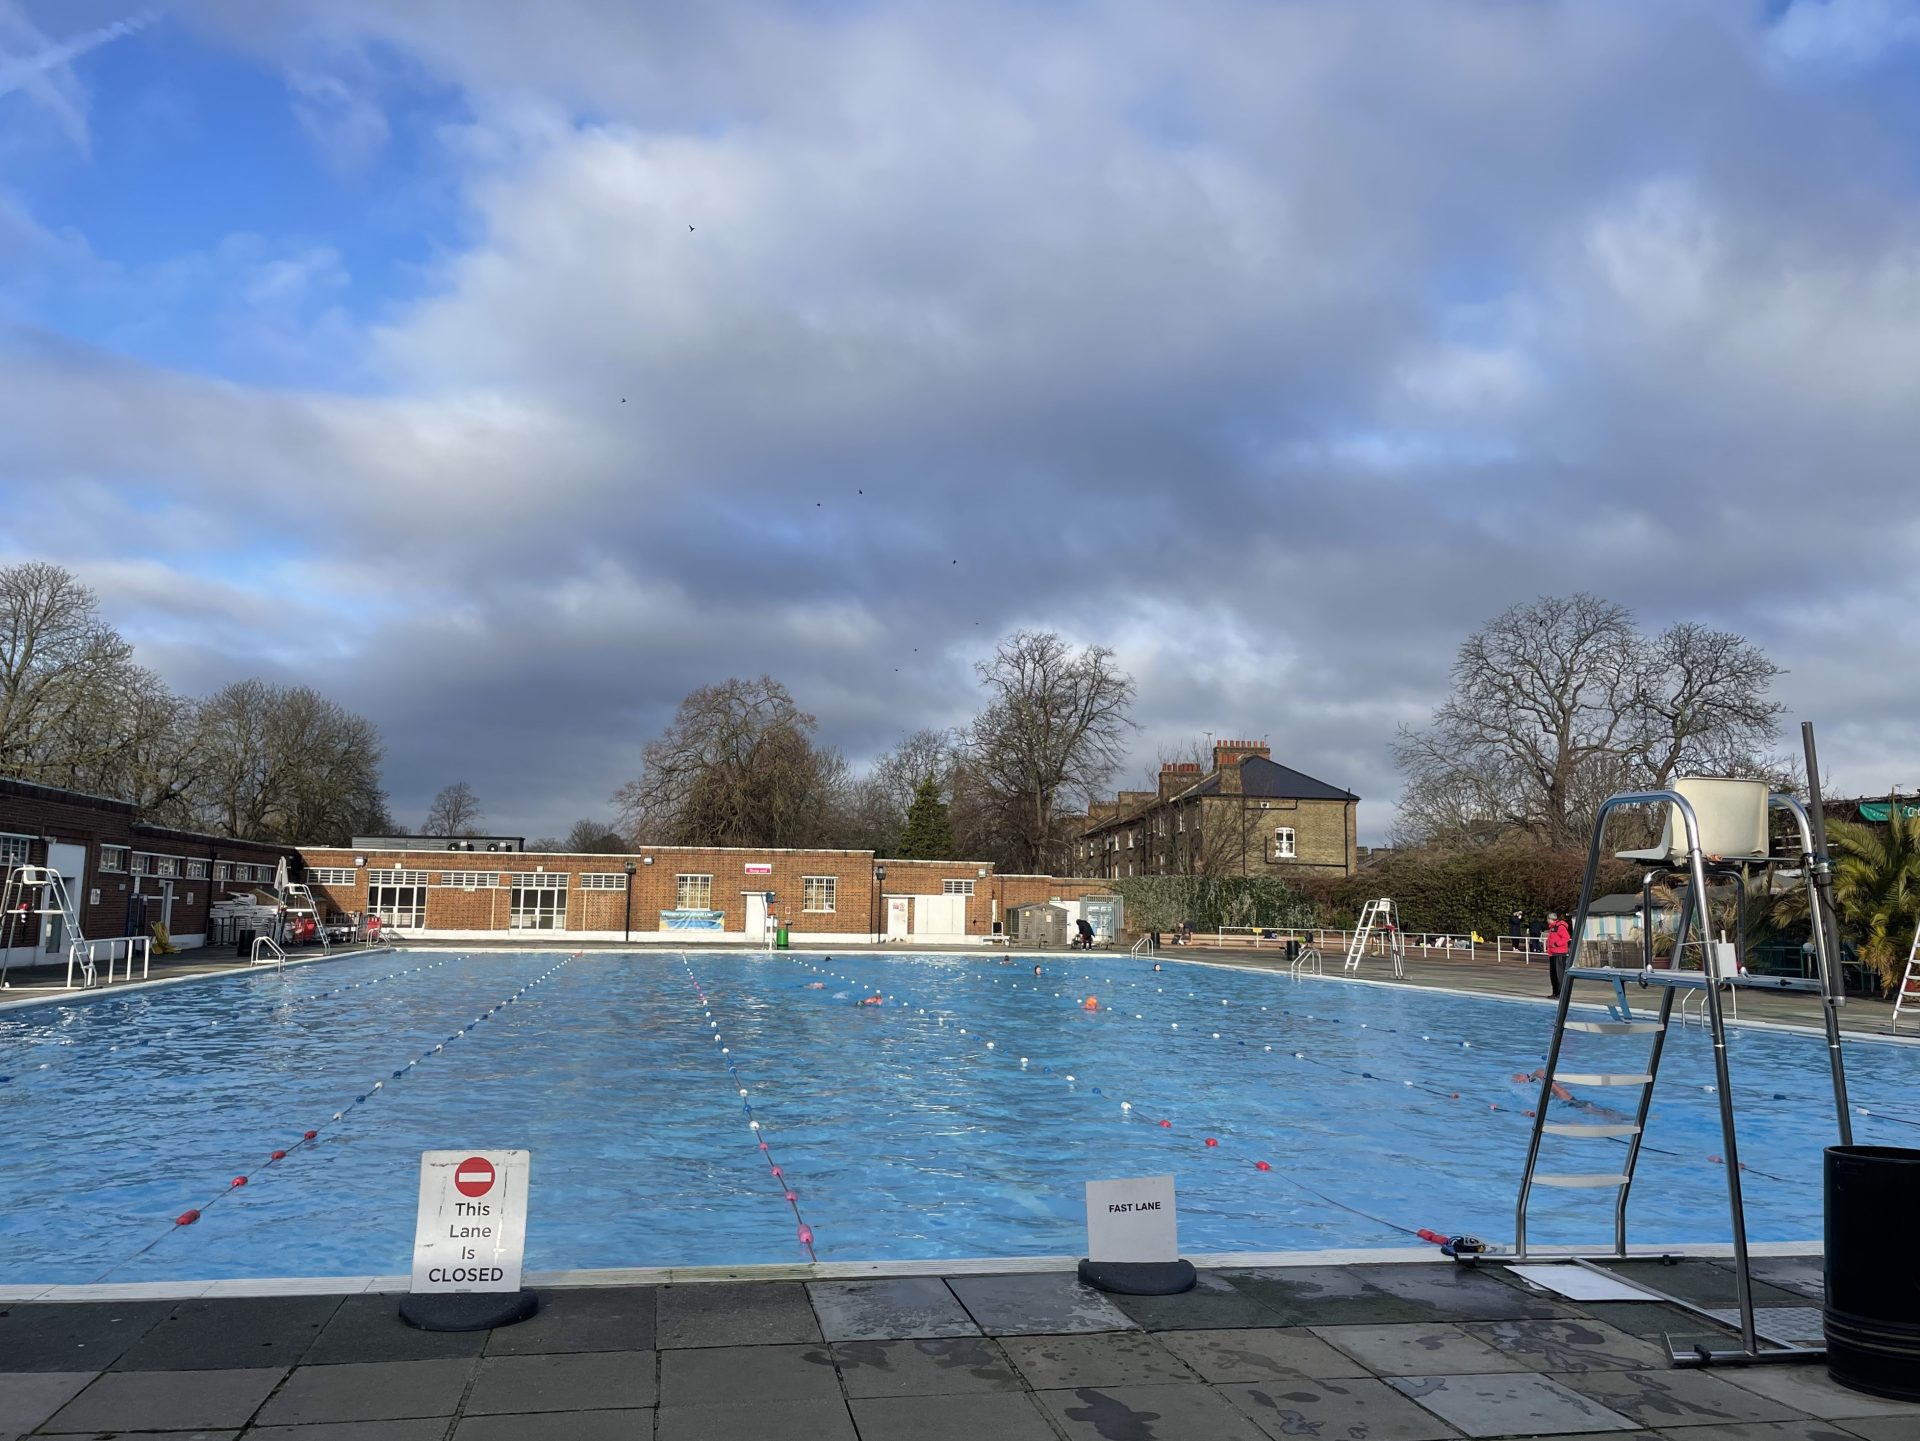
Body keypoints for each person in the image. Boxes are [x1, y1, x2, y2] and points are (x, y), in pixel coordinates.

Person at [1545, 912, 1572, 997]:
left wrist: (1556, 944)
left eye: (1548, 919)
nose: (1547, 921)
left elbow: (1566, 937)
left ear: (1551, 919)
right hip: (1553, 953)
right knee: (1553, 974)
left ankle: (1560, 993)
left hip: (1559, 954)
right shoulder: (1552, 928)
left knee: (1559, 974)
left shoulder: (1560, 927)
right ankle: (1555, 992)